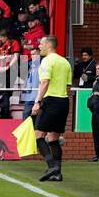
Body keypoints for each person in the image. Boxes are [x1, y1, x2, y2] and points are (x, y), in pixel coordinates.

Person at [32, 35, 70, 182]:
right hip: (63, 102)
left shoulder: (47, 61)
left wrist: (38, 101)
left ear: (48, 44)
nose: (39, 46)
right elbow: (68, 87)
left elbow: (45, 82)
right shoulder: (65, 62)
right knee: (53, 138)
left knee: (39, 136)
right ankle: (57, 173)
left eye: (41, 44)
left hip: (51, 101)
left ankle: (52, 165)